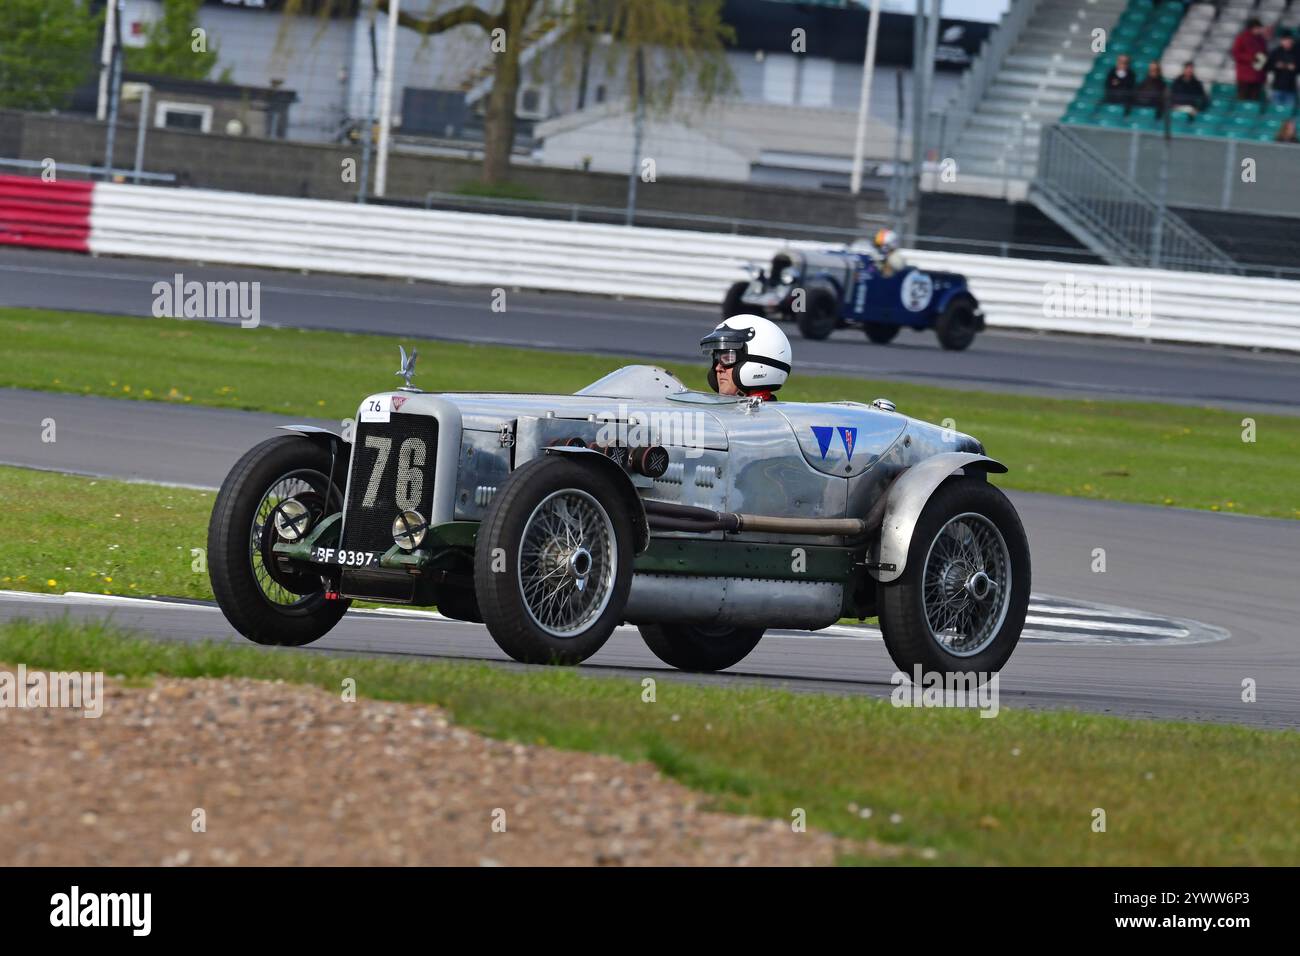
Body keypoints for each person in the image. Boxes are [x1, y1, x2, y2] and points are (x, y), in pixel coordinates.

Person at [699, 314, 791, 400]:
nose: (718, 368)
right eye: (716, 359)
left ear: (759, 364)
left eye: (727, 359)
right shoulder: (730, 413)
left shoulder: (769, 417)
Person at [1232, 17, 1270, 101]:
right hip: (1245, 76)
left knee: (1254, 102)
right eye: (1257, 28)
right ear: (1251, 28)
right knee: (1242, 100)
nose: (1259, 30)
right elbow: (1236, 54)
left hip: (1258, 76)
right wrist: (1252, 58)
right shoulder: (1241, 38)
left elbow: (1264, 54)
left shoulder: (1261, 40)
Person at [1267, 31, 1298, 111]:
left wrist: (1295, 68)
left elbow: (1298, 68)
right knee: (1274, 112)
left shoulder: (1297, 53)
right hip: (1277, 87)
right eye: (1285, 40)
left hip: (1291, 88)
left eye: (1289, 40)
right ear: (1281, 41)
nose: (1287, 42)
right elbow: (1268, 66)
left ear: (1292, 41)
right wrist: (1276, 66)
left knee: (1288, 113)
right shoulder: (1276, 52)